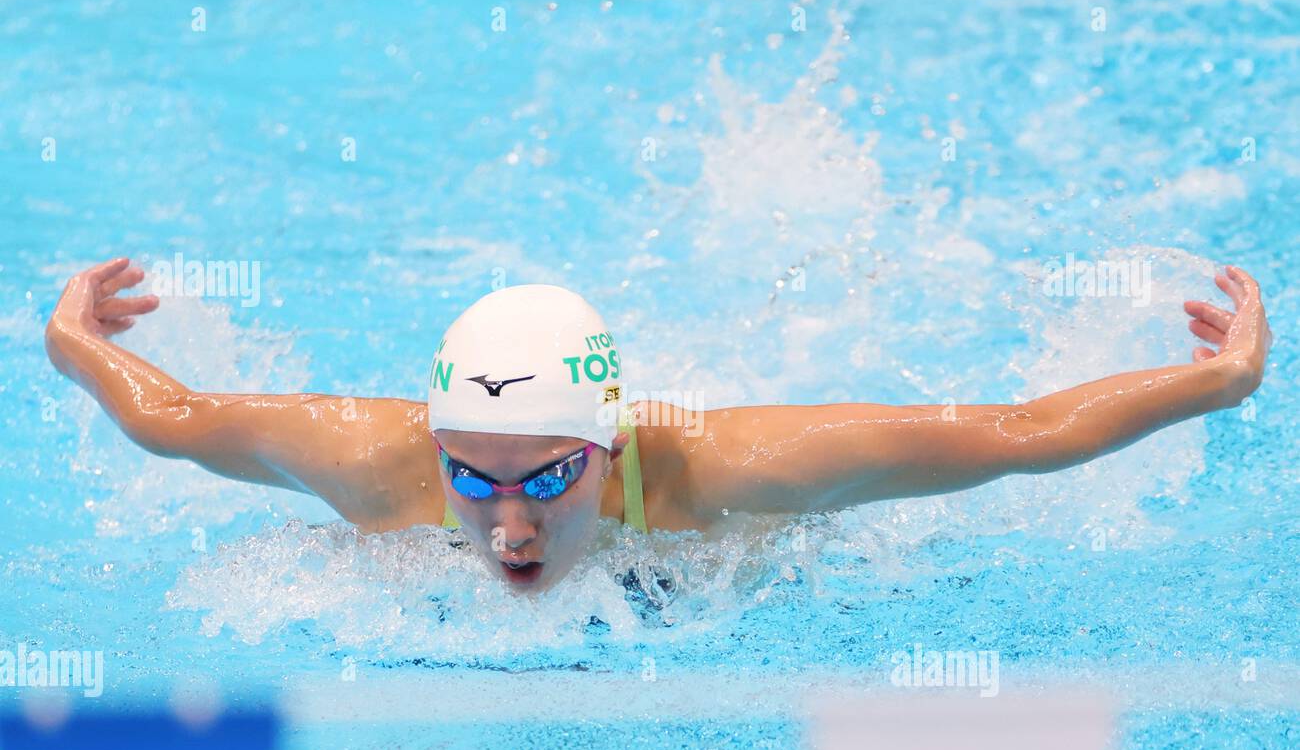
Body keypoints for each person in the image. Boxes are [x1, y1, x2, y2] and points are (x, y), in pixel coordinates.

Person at [45, 256, 1271, 594]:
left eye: (550, 480)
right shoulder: (372, 465)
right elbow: (174, 416)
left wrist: (1213, 383)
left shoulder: (720, 469)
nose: (510, 522)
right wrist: (75, 341)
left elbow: (1010, 431)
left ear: (614, 450)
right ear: (433, 447)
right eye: (472, 480)